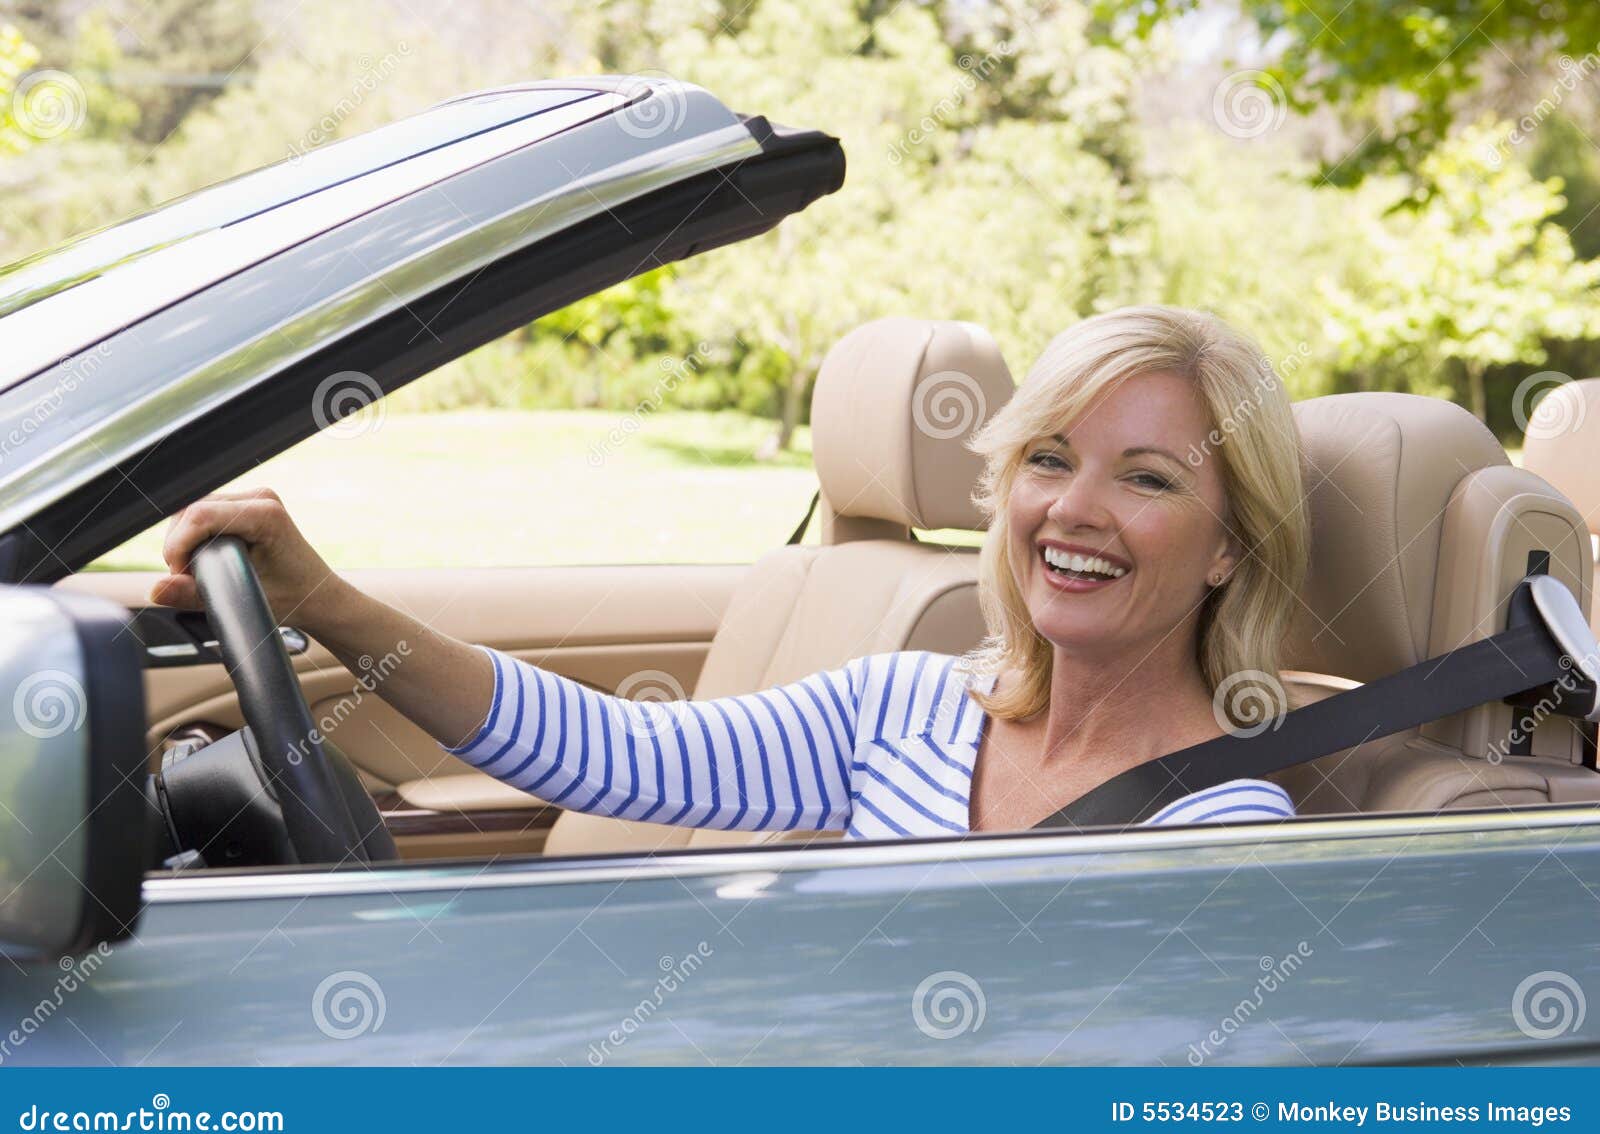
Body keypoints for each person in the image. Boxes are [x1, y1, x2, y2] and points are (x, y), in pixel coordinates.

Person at [153, 306, 1309, 838]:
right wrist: (324, 603)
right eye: (1047, 458)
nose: (1072, 508)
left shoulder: (1216, 822)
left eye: (1148, 478)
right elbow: (622, 754)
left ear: (1227, 546)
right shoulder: (909, 703)